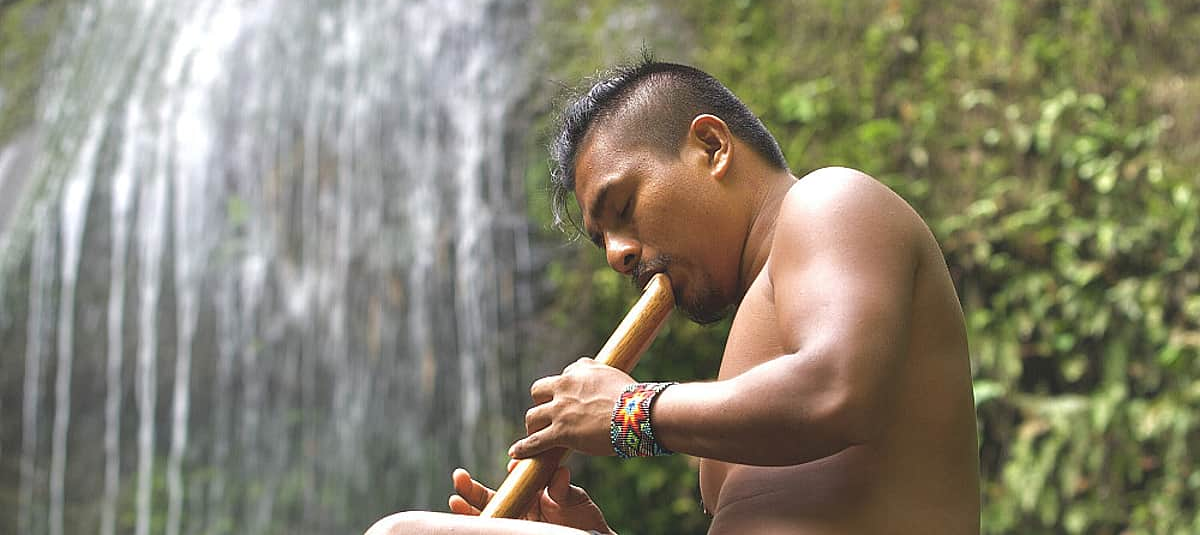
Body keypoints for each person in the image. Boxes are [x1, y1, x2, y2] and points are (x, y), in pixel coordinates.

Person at [365, 59, 981, 534]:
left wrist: (629, 411)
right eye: (602, 238)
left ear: (712, 147)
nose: (616, 254)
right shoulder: (759, 331)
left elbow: (837, 392)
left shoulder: (830, 201)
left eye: (623, 208)